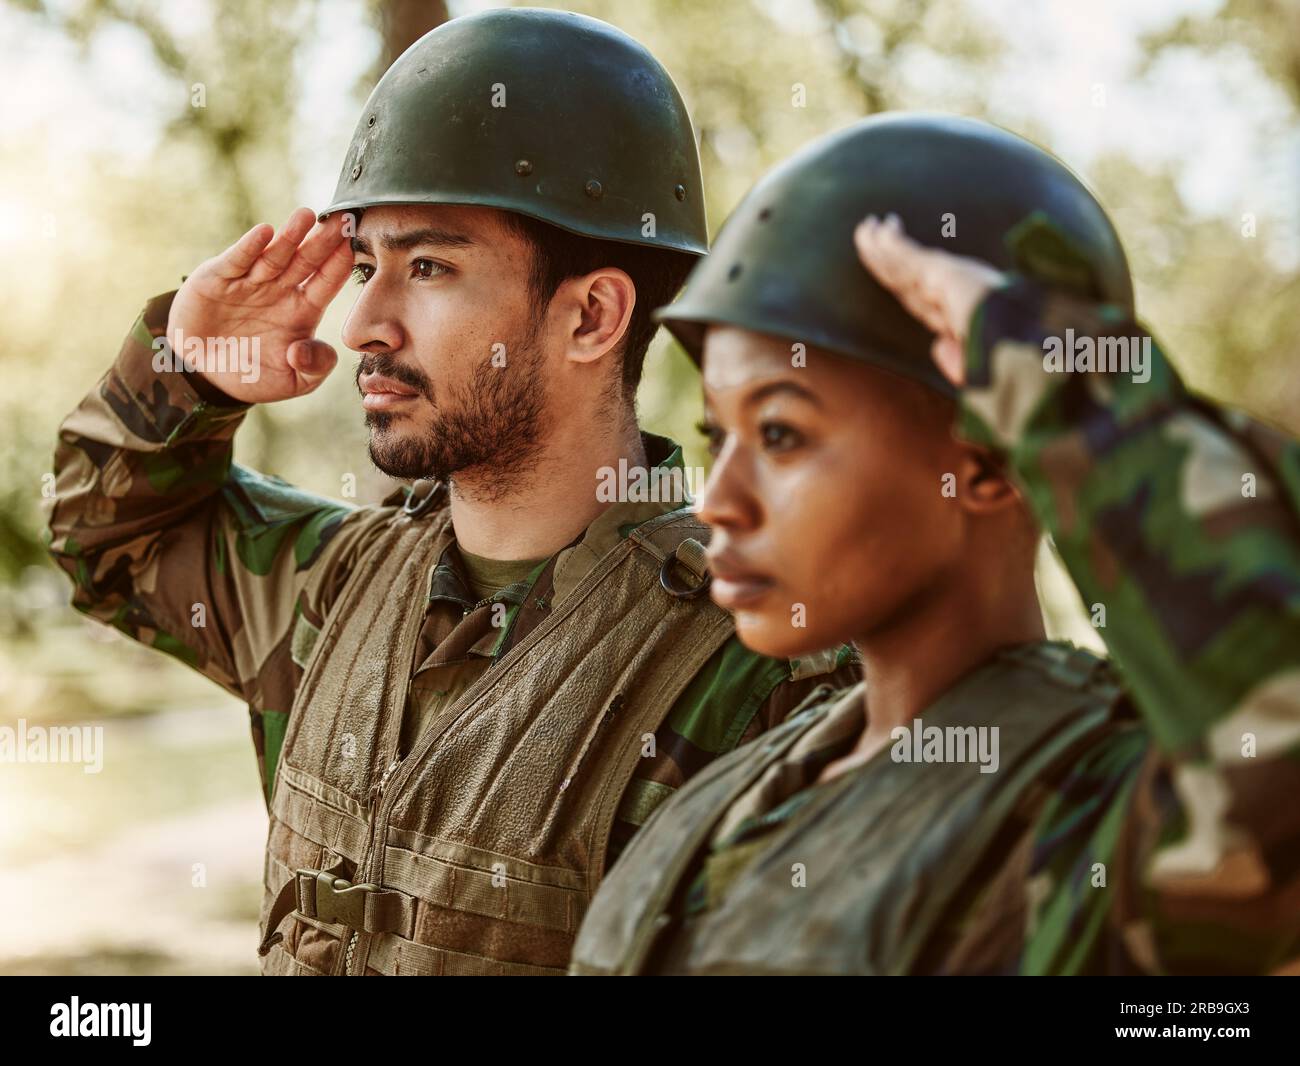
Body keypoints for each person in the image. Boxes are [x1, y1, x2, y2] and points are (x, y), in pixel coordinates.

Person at [45, 9, 855, 977]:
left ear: (591, 315)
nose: (363, 324)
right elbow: (107, 539)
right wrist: (192, 366)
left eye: (427, 266)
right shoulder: (338, 587)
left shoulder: (765, 681)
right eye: (364, 265)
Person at [570, 113, 1300, 975]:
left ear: (988, 459)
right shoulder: (732, 793)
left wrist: (1045, 367)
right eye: (716, 435)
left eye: (780, 435)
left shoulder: (1094, 816)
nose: (719, 500)